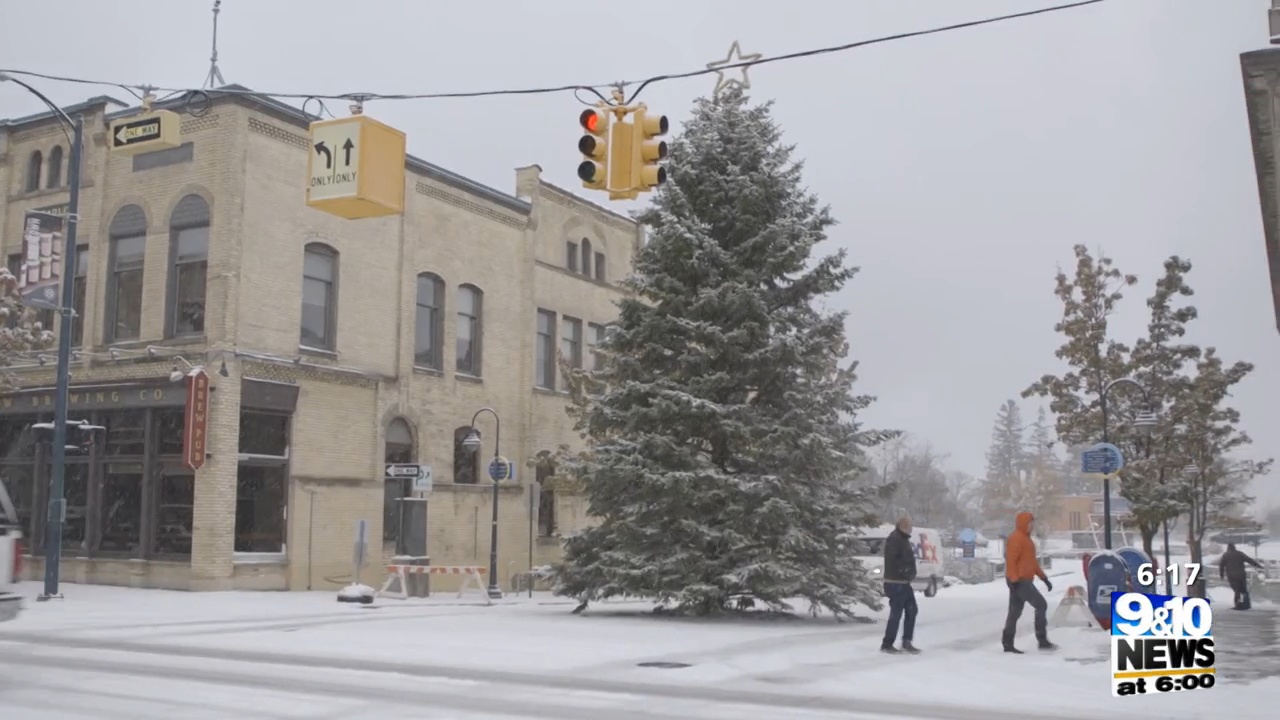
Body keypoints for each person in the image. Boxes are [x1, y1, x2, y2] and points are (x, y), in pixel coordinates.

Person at [1002, 511, 1056, 653]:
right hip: (1019, 580)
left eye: (1032, 523)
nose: (1032, 526)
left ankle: (1007, 643)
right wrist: (1014, 580)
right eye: (1030, 523)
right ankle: (1042, 640)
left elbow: (1032, 563)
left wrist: (1044, 578)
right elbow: (1011, 560)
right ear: (1024, 523)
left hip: (1021, 580)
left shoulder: (1027, 540)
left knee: (1014, 612)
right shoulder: (1016, 538)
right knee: (1041, 605)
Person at [880, 515, 920, 654]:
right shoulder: (894, 539)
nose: (911, 528)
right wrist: (906, 571)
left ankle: (907, 641)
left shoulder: (903, 539)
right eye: (909, 525)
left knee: (912, 610)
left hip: (904, 583)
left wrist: (909, 573)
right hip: (895, 583)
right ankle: (887, 644)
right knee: (896, 614)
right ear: (902, 526)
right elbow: (893, 560)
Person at [1219, 543, 1263, 610]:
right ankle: (1247, 604)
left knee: (1237, 590)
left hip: (1232, 576)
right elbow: (1249, 560)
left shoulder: (1225, 555)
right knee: (1244, 590)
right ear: (1234, 547)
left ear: (1228, 548)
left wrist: (1221, 575)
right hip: (1241, 575)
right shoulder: (1239, 554)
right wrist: (1258, 565)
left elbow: (1221, 566)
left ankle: (1238, 605)